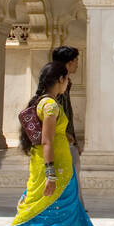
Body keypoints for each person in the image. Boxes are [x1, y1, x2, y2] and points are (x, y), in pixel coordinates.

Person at [0, 61, 108, 226]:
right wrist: (51, 175)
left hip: (56, 165)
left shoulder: (42, 102)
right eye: (67, 79)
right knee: (54, 209)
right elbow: (47, 140)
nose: (67, 83)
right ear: (61, 79)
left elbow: (50, 137)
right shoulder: (51, 106)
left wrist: (67, 137)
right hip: (56, 169)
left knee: (55, 210)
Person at [50, 45, 82, 189]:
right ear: (69, 63)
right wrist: (66, 135)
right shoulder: (58, 85)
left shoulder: (63, 83)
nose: (77, 64)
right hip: (61, 140)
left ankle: (76, 208)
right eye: (75, 60)